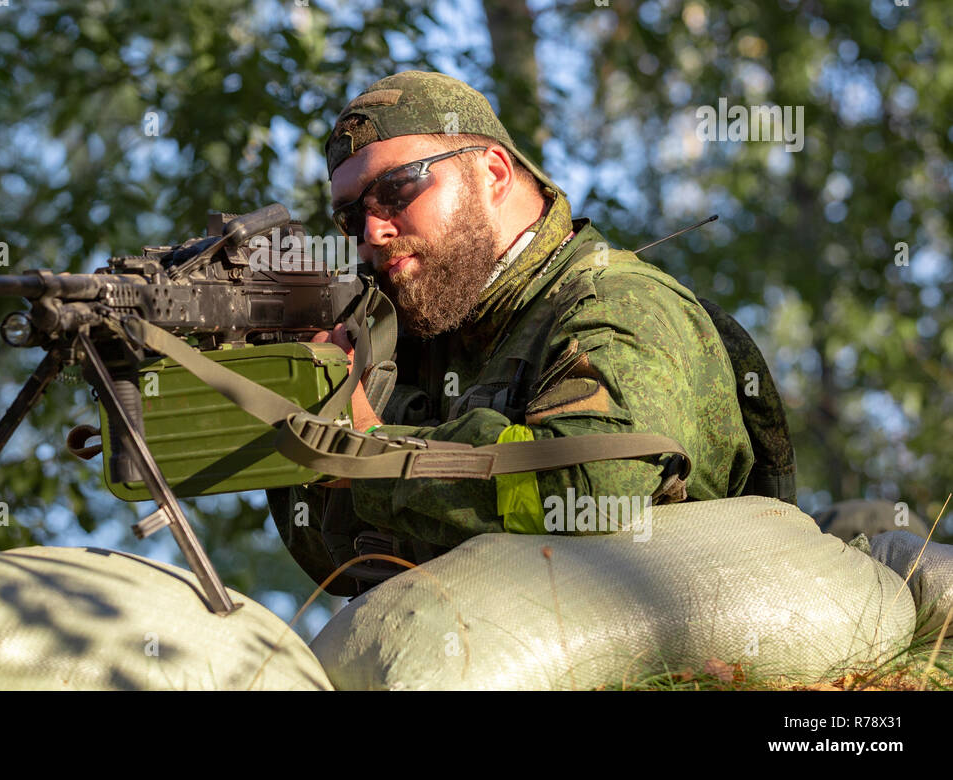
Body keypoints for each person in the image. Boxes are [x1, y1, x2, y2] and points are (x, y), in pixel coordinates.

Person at [267, 70, 758, 596]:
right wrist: (286, 400)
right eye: (350, 216)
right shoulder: (416, 332)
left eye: (394, 189)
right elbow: (341, 563)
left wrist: (366, 450)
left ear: (494, 174)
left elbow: (590, 488)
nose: (373, 232)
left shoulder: (621, 304)